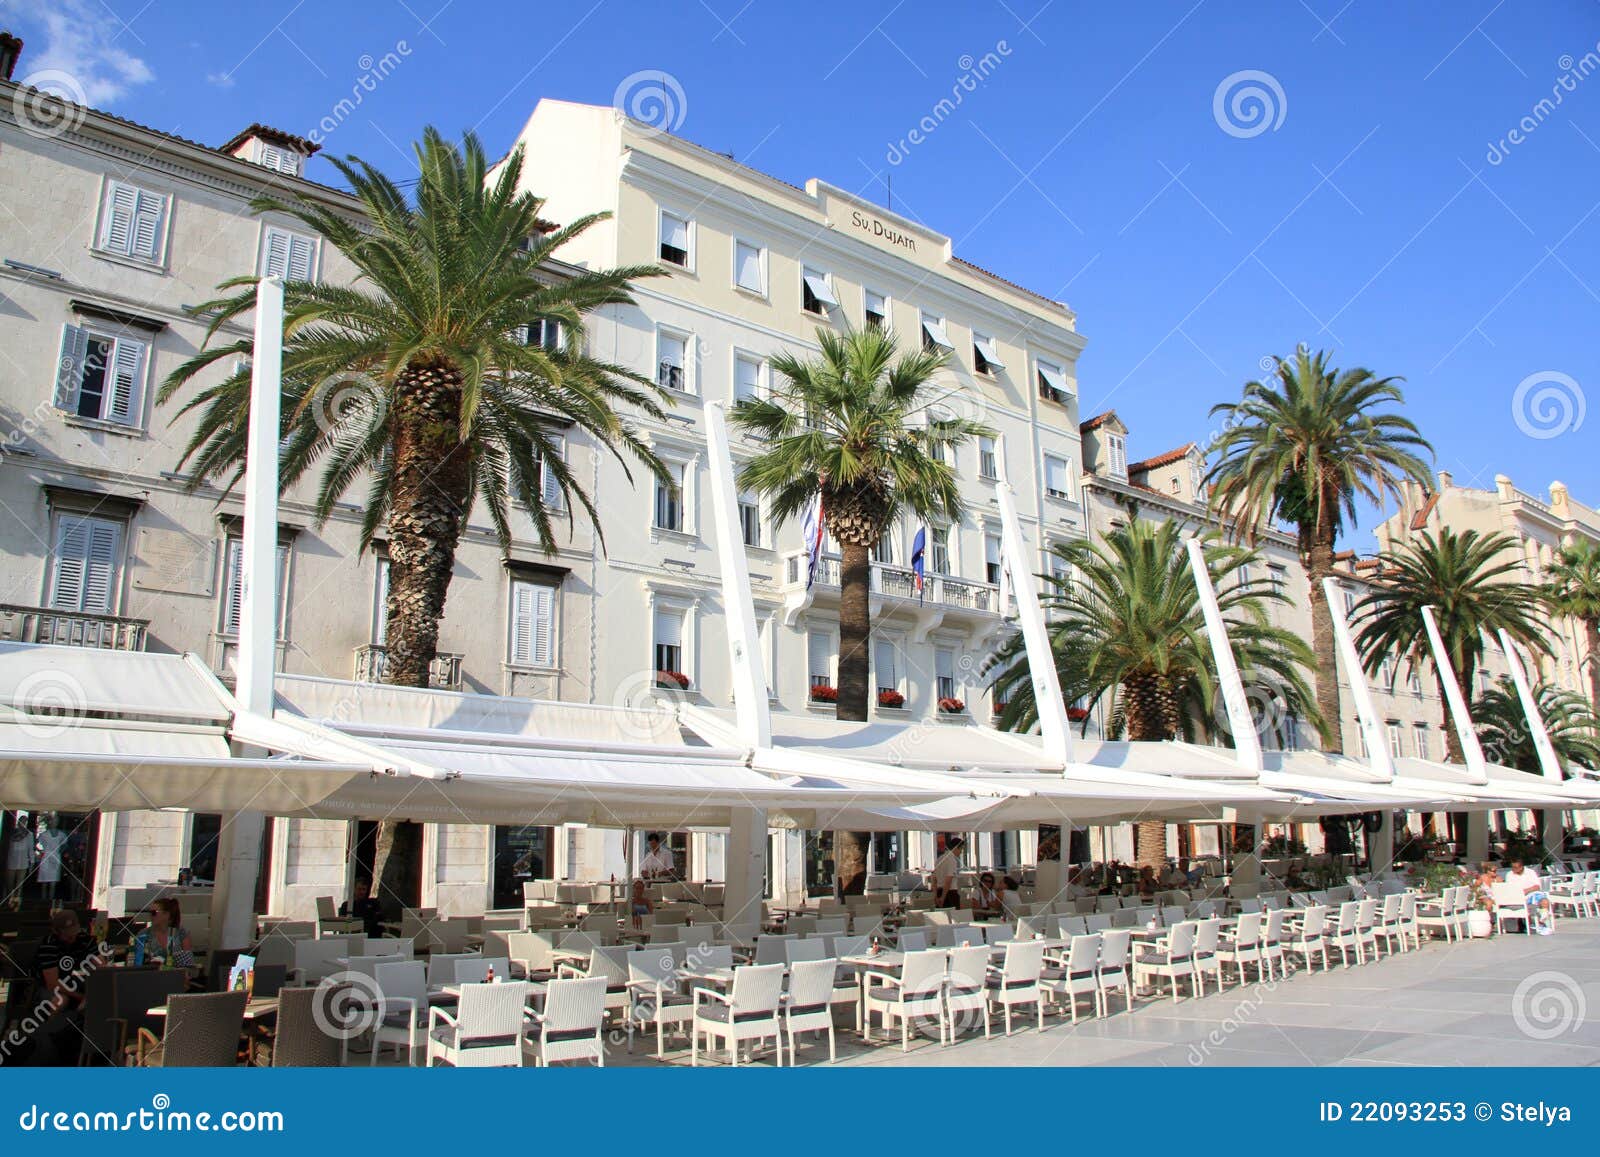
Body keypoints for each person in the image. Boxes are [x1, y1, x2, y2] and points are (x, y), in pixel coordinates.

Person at [26, 909, 101, 1064]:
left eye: (74, 933)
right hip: (49, 987)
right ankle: (50, 1040)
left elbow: (100, 965)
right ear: (57, 932)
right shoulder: (48, 945)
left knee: (97, 997)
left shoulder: (85, 940)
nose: (71, 938)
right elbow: (53, 983)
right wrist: (81, 996)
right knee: (61, 1000)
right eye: (67, 935)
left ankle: (89, 1044)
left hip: (77, 984)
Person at [143, 898, 195, 969]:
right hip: (152, 973)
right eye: (150, 912)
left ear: (166, 914)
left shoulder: (181, 933)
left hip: (176, 973)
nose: (150, 915)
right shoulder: (144, 934)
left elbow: (188, 962)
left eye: (154, 913)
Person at [1504, 859, 1552, 934]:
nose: (1513, 869)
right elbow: (1509, 888)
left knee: (1544, 901)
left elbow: (1537, 886)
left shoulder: (1530, 872)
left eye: (1515, 867)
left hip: (1531, 894)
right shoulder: (1509, 874)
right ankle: (1533, 924)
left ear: (1521, 867)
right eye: (1512, 867)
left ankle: (1545, 924)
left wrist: (1526, 891)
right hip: (1517, 897)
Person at [34, 820, 66, 907]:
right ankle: (43, 902)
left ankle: (50, 902)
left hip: (56, 858)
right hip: (46, 858)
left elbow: (65, 844)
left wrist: (60, 851)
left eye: (55, 821)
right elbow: (36, 844)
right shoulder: (44, 834)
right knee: (44, 882)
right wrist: (40, 852)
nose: (54, 823)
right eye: (52, 821)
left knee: (53, 882)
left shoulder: (61, 834)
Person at [932, 837, 964, 908]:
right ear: (956, 848)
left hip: (939, 892)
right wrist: (943, 898)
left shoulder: (939, 859)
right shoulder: (952, 860)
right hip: (949, 893)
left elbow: (934, 880)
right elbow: (948, 880)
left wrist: (935, 896)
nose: (961, 852)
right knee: (953, 914)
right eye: (961, 849)